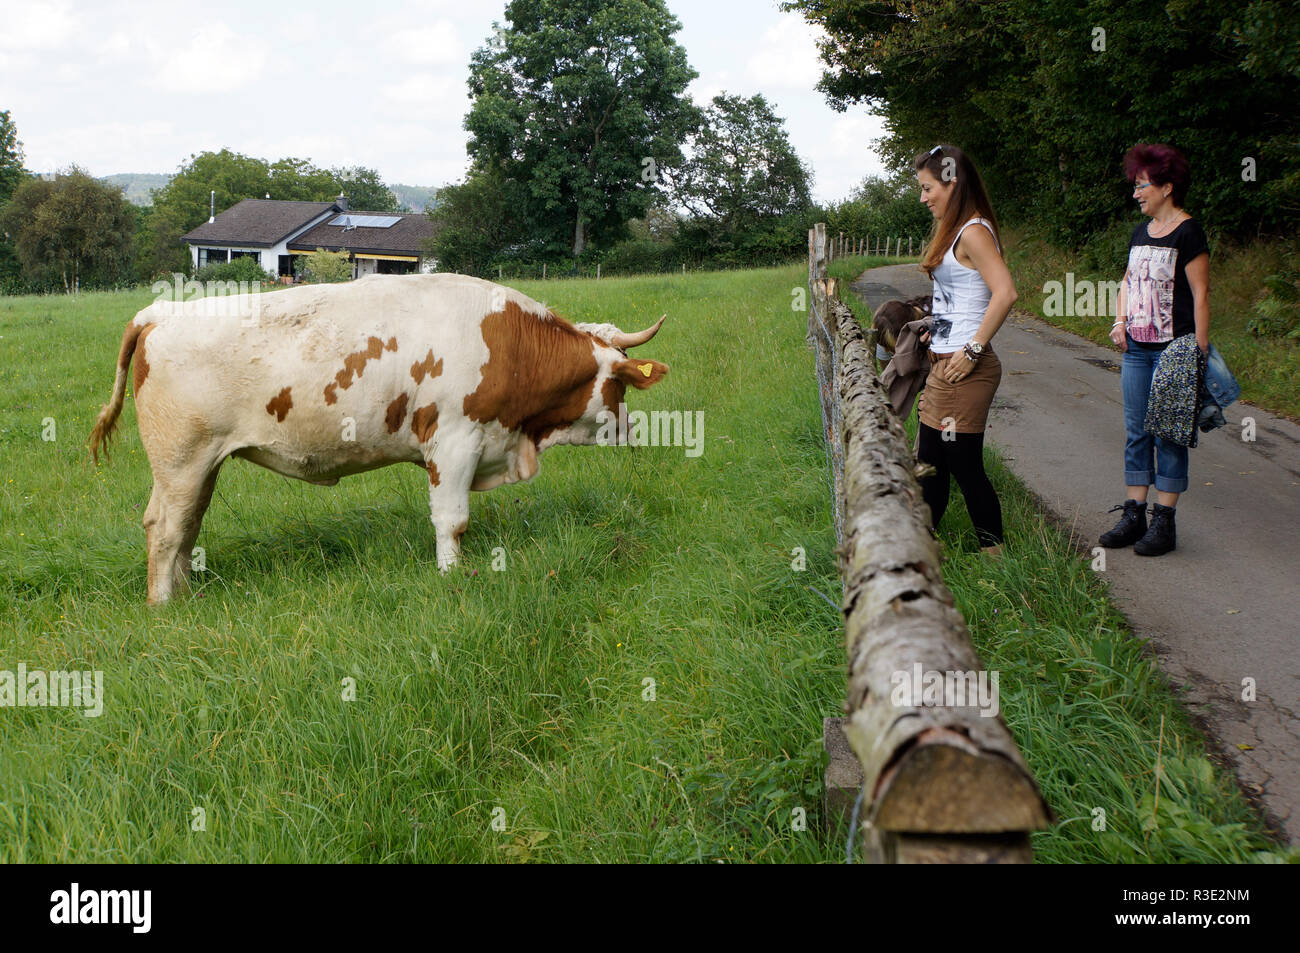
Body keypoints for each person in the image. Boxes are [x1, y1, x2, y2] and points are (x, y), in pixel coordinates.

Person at [1100, 143, 1210, 556]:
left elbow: (1200, 294)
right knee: (1136, 432)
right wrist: (1119, 321)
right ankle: (1135, 514)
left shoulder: (1188, 231)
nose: (1136, 193)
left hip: (1174, 350)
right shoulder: (1140, 232)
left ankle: (1164, 523)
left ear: (1166, 187)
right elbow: (1128, 282)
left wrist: (1197, 353)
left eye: (1142, 185)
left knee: (1169, 435)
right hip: (1136, 350)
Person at [913, 145, 1018, 554]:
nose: (923, 198)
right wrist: (933, 331)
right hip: (945, 362)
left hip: (966, 370)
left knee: (964, 467)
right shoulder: (954, 230)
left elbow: (1005, 293)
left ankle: (996, 557)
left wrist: (973, 349)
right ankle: (921, 549)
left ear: (951, 182)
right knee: (932, 466)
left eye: (927, 188)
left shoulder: (973, 231)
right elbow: (957, 299)